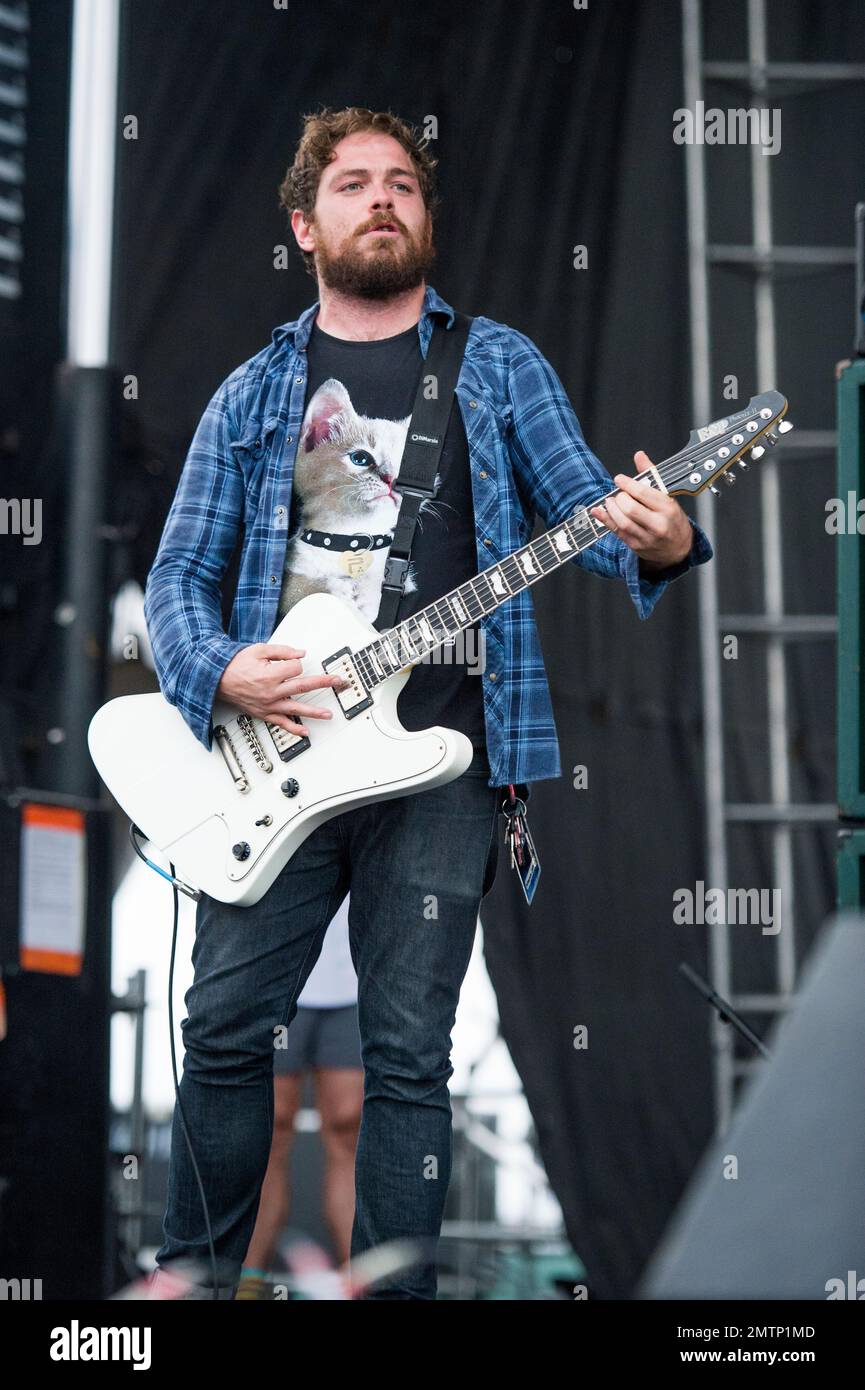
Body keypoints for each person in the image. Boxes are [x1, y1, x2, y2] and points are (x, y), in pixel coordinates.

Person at [144, 105, 713, 1300]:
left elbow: (586, 521)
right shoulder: (254, 393)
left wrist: (658, 540)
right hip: (276, 756)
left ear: (426, 215)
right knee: (224, 1036)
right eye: (353, 184)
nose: (384, 198)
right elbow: (177, 584)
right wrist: (221, 672)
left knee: (408, 1061)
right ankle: (184, 1290)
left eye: (402, 181)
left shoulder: (498, 366)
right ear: (307, 223)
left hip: (440, 764)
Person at [236, 892, 362, 1300]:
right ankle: (247, 1286)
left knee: (349, 1131)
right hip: (273, 968)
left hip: (356, 977)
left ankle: (357, 1286)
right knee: (267, 1132)